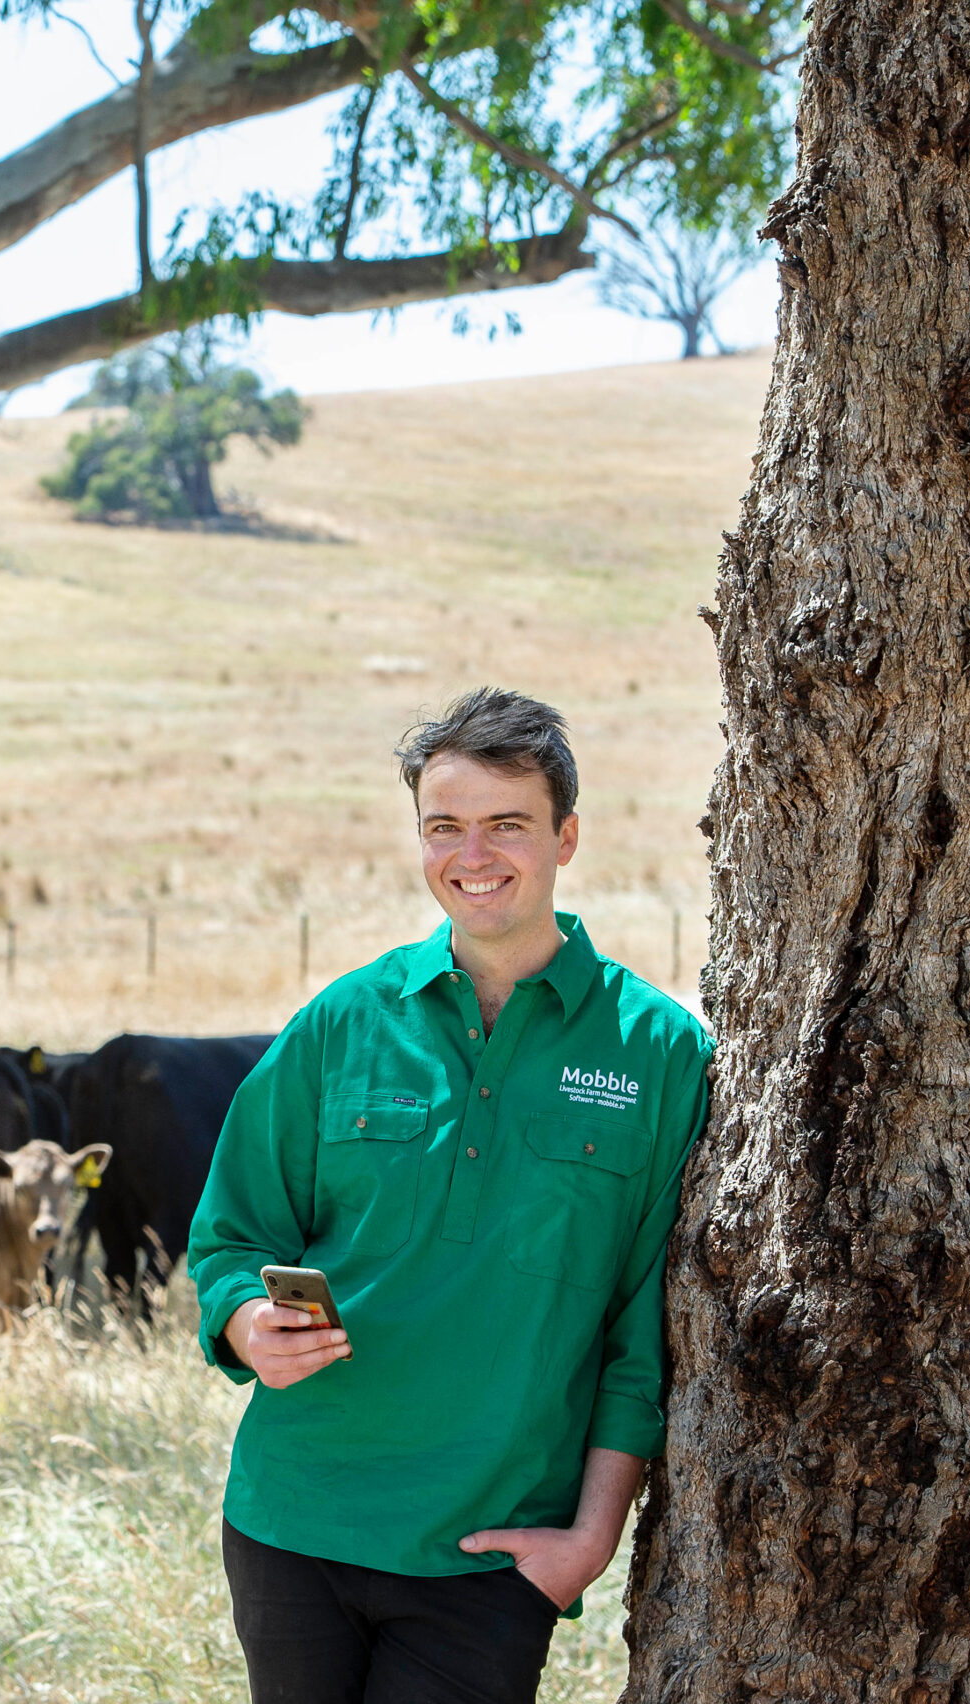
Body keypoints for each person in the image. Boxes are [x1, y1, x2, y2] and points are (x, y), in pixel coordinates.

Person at [188, 687, 711, 1704]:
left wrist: (590, 1538)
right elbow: (232, 1234)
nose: (473, 855)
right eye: (444, 827)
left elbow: (643, 1329)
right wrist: (246, 1320)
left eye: (506, 824)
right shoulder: (343, 1021)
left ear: (565, 838)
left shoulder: (658, 1053)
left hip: (490, 1552)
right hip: (293, 1520)